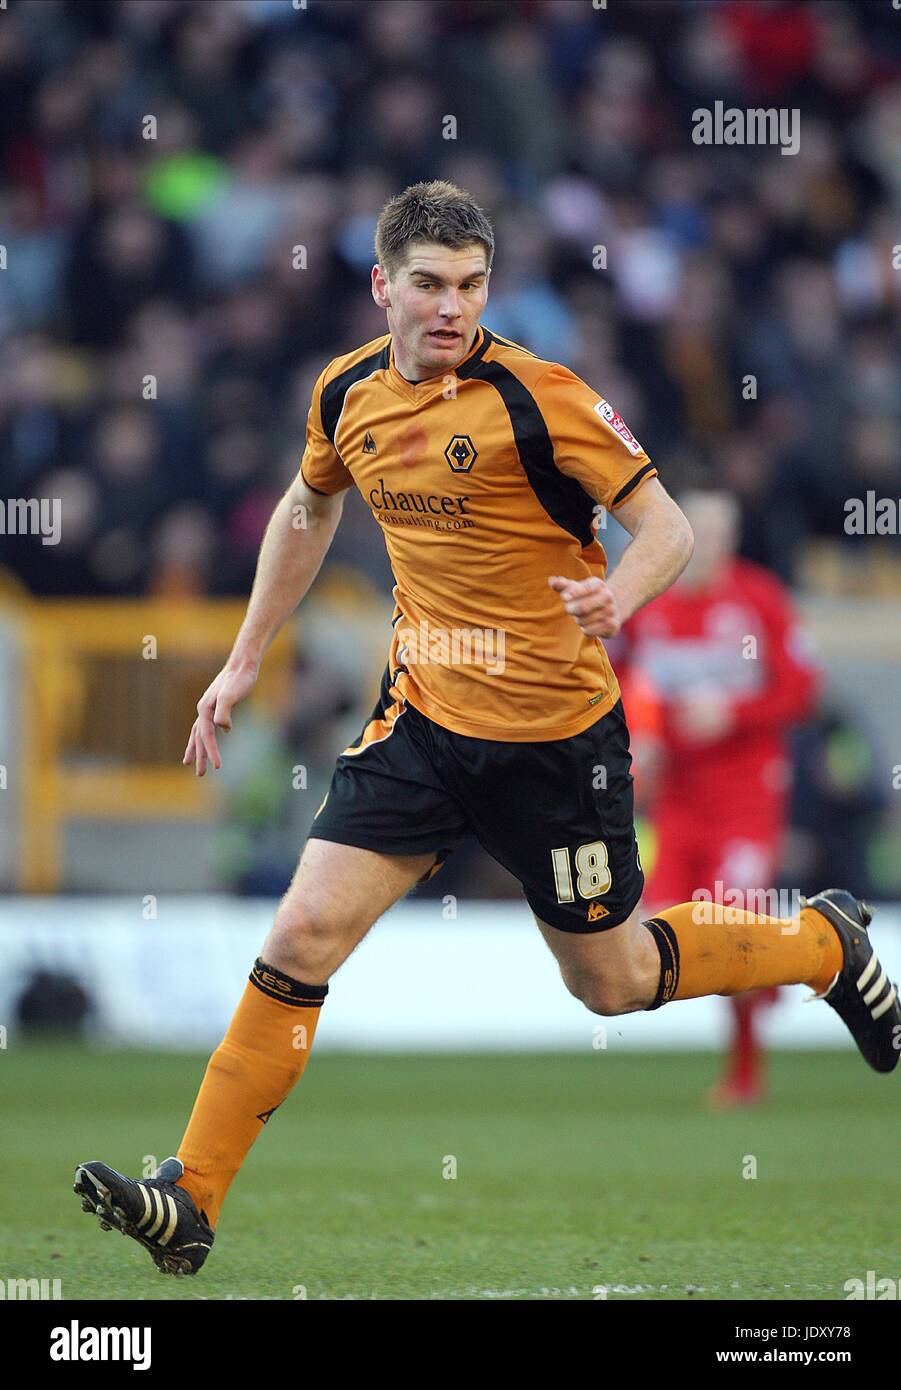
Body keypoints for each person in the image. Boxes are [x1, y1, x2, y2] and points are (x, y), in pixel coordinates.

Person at [73, 181, 900, 1276]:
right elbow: (306, 507)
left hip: (555, 740)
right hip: (421, 719)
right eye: (427, 284)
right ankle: (190, 1198)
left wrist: (623, 597)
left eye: (470, 285)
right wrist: (241, 657)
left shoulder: (540, 395)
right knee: (301, 933)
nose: (451, 307)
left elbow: (666, 524)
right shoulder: (345, 394)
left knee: (607, 979)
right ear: (382, 287)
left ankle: (823, 943)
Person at [625, 490, 819, 1106]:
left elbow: (803, 690)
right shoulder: (644, 603)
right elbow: (615, 681)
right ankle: (773, 973)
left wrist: (732, 713)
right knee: (660, 924)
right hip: (676, 801)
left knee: (726, 920)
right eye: (695, 529)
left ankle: (744, 1076)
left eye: (718, 531)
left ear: (732, 538)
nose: (706, 543)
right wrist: (639, 738)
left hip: (746, 796)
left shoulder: (759, 600)